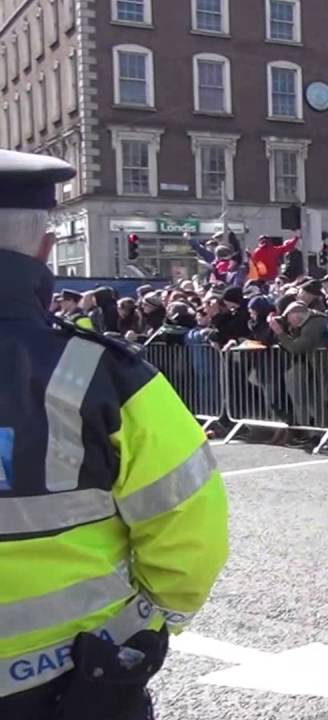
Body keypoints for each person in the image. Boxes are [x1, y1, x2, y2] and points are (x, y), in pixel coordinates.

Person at [0, 149, 229, 719]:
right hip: (69, 681)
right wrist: (144, 623)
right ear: (45, 250)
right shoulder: (102, 373)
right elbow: (191, 525)